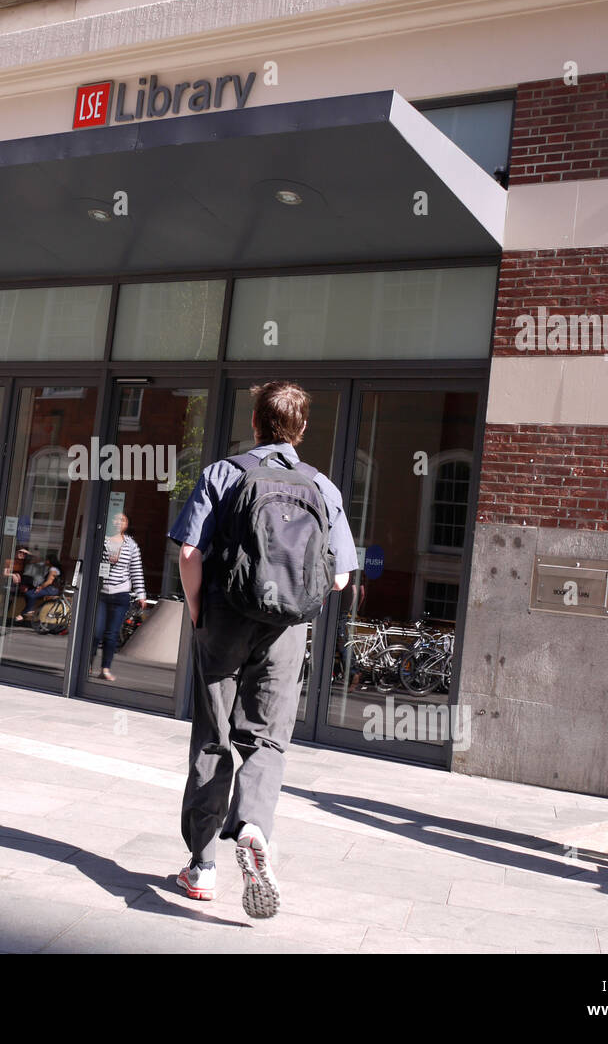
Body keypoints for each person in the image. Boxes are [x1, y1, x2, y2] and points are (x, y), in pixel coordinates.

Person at [168, 380, 358, 919]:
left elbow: (189, 551)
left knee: (214, 736)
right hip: (286, 627)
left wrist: (200, 608)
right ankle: (252, 826)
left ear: (255, 423)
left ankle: (201, 866)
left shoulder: (223, 474)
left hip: (224, 617)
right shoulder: (322, 487)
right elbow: (341, 577)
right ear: (300, 431)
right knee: (266, 740)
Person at [90, 512, 146, 681]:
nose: (117, 522)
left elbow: (136, 570)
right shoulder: (103, 540)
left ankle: (105, 669)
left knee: (112, 634)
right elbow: (92, 563)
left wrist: (141, 594)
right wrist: (106, 562)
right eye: (115, 519)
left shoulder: (131, 545)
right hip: (101, 593)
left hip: (121, 594)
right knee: (96, 632)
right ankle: (88, 664)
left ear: (126, 524)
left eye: (122, 519)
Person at [17, 557, 62, 622]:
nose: (45, 561)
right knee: (28, 593)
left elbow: (49, 581)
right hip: (50, 589)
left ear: (49, 561)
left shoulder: (53, 569)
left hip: (52, 590)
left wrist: (40, 588)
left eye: (46, 560)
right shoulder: (51, 568)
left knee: (30, 594)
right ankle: (28, 611)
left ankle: (28, 611)